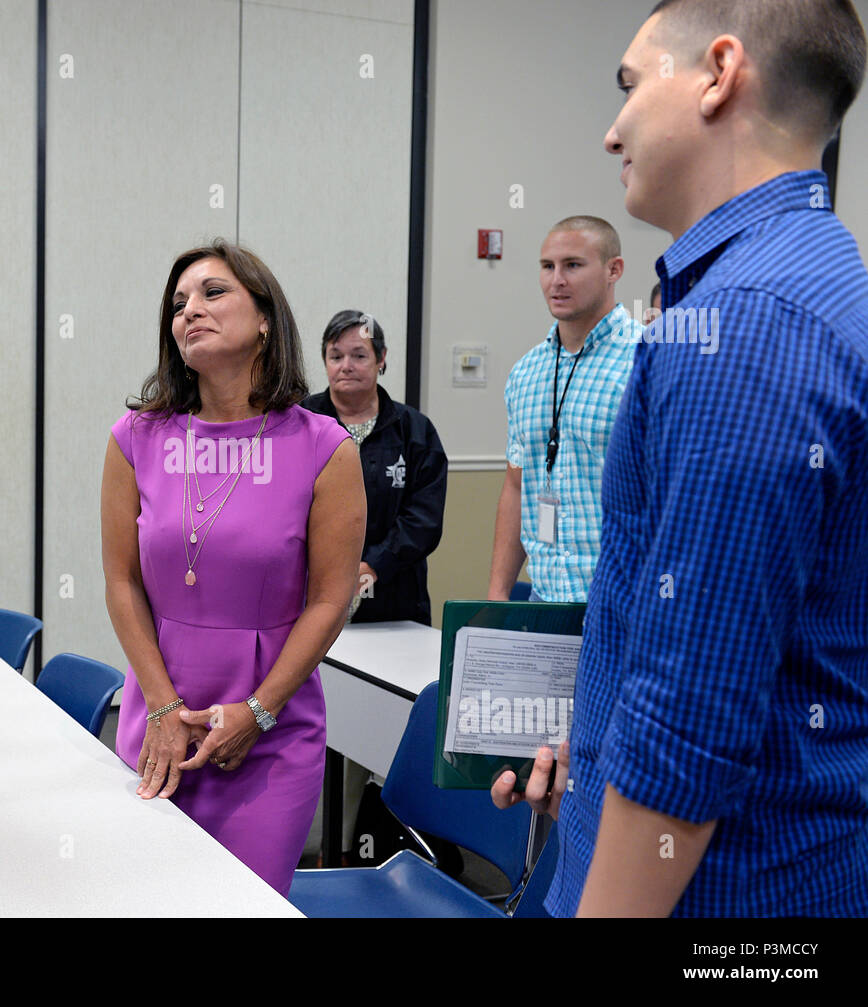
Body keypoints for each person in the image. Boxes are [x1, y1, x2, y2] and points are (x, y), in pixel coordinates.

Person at [494, 0, 868, 917]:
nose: (613, 128)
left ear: (720, 72)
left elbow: (690, 723)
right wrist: (590, 751)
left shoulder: (745, 323)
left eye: (629, 86)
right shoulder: (804, 277)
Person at [100, 239, 365, 895]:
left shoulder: (324, 447)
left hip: (270, 731)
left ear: (266, 318)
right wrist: (162, 705)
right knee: (150, 902)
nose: (191, 309)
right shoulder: (135, 439)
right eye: (179, 302)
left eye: (214, 293)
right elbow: (121, 581)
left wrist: (259, 709)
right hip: (159, 716)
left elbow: (330, 599)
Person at [487, 216, 640, 603]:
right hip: (546, 597)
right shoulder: (527, 373)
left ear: (613, 270)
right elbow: (516, 486)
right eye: (547, 266)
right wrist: (498, 593)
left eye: (573, 265)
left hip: (623, 601)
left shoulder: (647, 360)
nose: (557, 280)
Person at [302, 310, 447, 625]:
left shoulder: (415, 431)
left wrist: (372, 566)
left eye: (359, 355)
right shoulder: (300, 423)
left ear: (381, 358)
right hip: (310, 600)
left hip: (395, 602)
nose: (346, 366)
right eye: (336, 356)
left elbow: (424, 519)